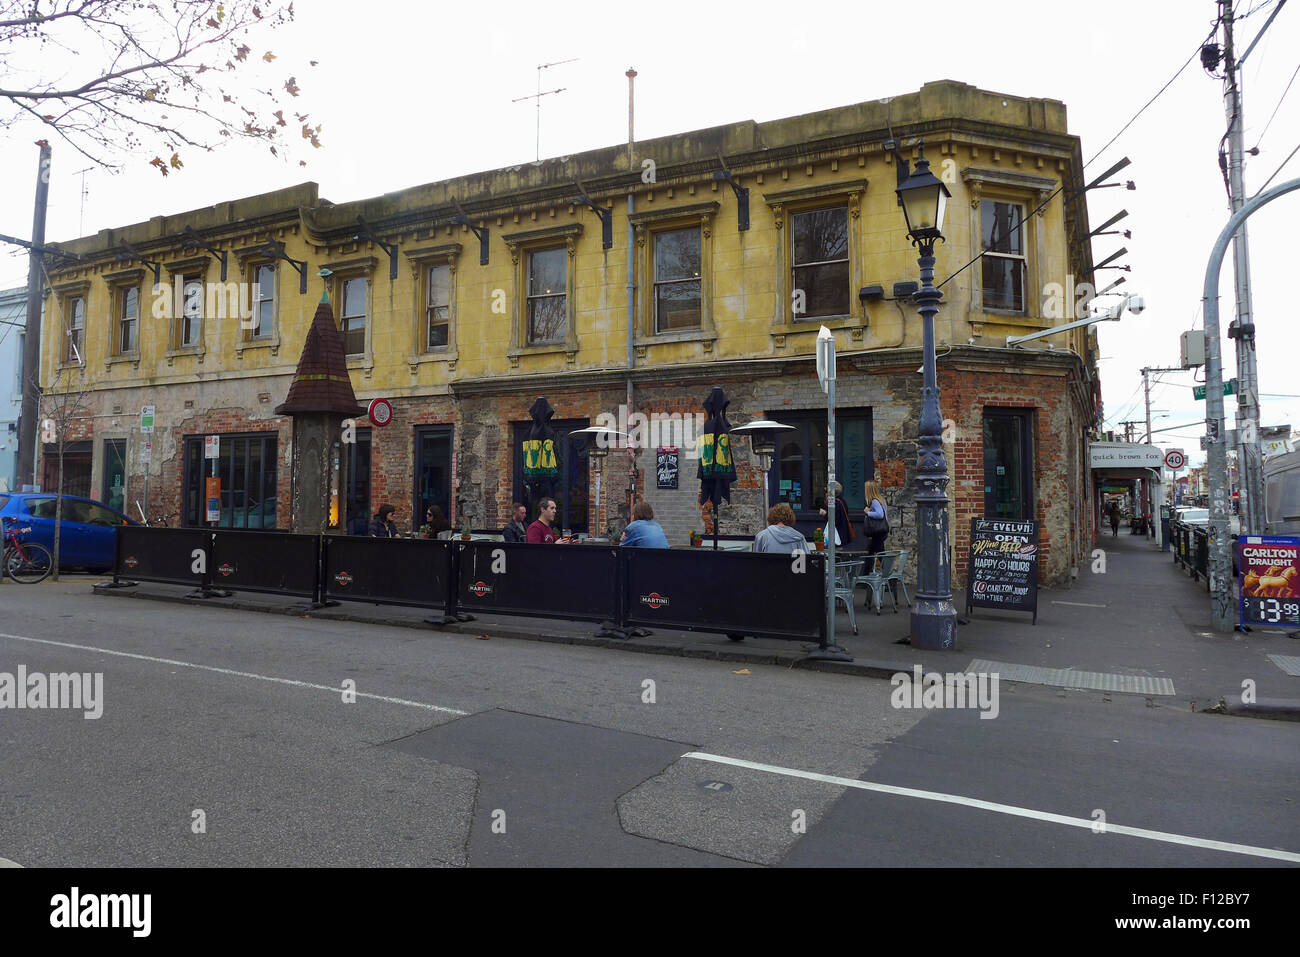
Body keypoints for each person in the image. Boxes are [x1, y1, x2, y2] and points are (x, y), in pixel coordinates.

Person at [818, 480, 856, 550]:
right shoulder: (842, 501)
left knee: (835, 553)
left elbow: (834, 519)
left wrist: (825, 513)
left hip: (837, 533)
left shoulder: (836, 503)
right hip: (842, 532)